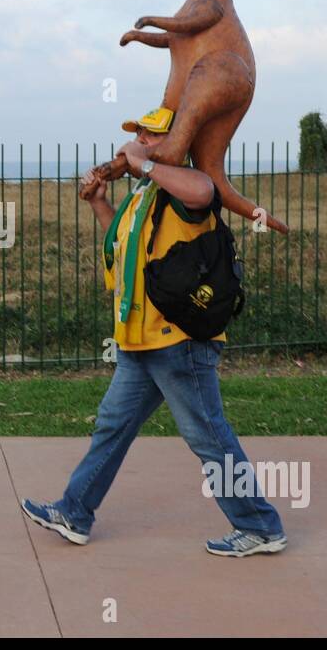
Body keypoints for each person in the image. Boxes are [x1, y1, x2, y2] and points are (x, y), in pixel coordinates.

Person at [21, 106, 287, 557]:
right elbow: (123, 249)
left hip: (178, 342)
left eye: (147, 134)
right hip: (141, 341)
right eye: (137, 134)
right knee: (112, 425)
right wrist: (100, 203)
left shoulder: (183, 183)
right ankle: (75, 513)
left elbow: (205, 190)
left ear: (170, 142)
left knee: (207, 435)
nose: (136, 139)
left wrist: (145, 162)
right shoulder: (144, 195)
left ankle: (261, 526)